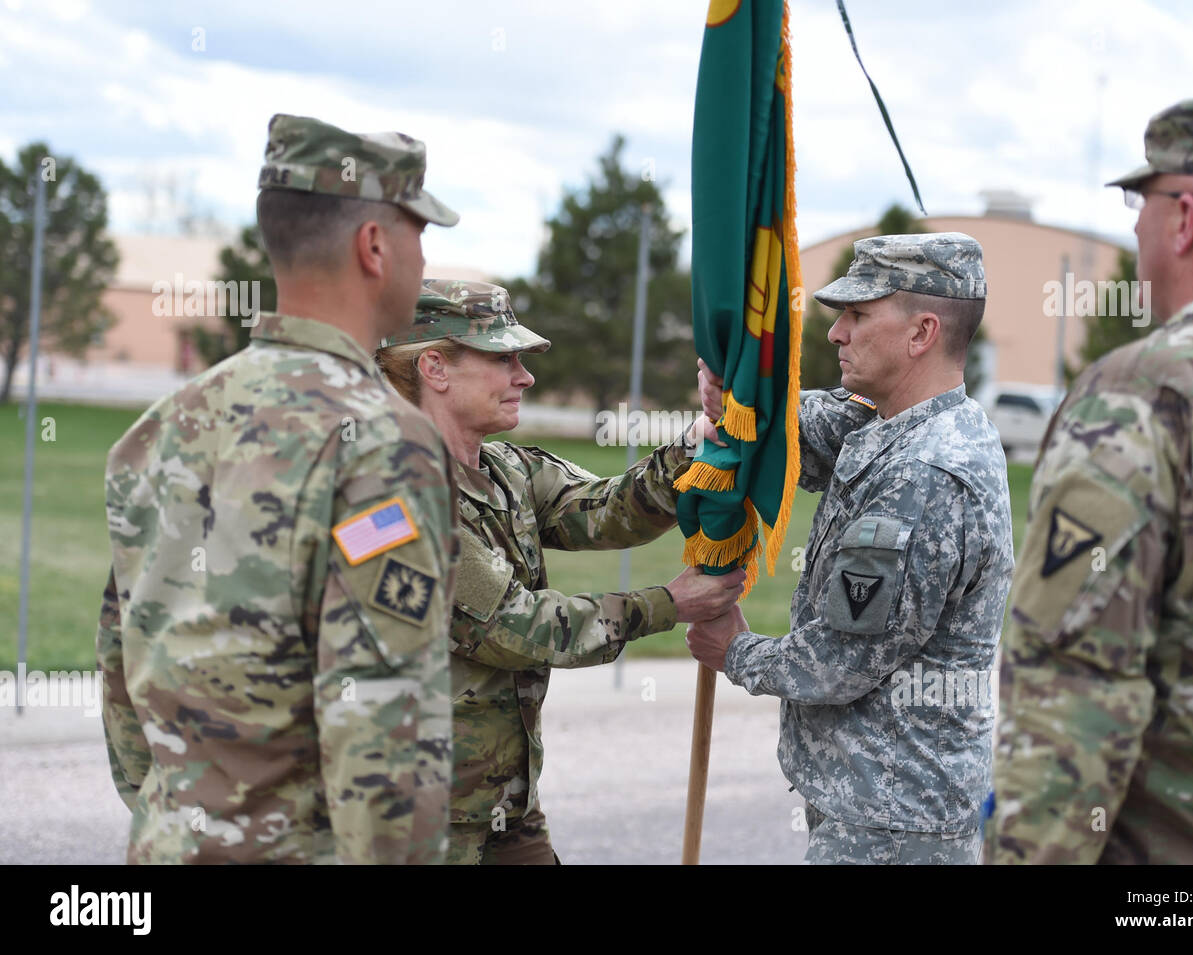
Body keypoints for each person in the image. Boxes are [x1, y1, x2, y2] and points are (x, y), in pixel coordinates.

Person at [96, 114, 461, 864]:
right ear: (375, 246)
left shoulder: (158, 429)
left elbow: (122, 682)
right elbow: (383, 734)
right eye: (420, 232)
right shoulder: (382, 442)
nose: (425, 259)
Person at [985, 97, 1193, 865]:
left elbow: (1074, 696)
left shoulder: (1143, 393)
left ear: (1185, 216)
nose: (1134, 229)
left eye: (1140, 203)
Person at [374, 278, 745, 864]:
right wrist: (668, 605)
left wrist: (695, 449)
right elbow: (518, 629)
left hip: (503, 802)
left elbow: (609, 512)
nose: (525, 377)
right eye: (504, 359)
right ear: (436, 368)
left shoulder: (504, 470)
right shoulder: (390, 496)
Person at [688, 233, 1014, 864]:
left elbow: (839, 659)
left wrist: (735, 651)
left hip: (892, 822)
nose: (836, 333)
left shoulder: (928, 471)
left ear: (920, 334)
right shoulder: (905, 419)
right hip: (880, 804)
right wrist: (737, 402)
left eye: (859, 315)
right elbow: (802, 433)